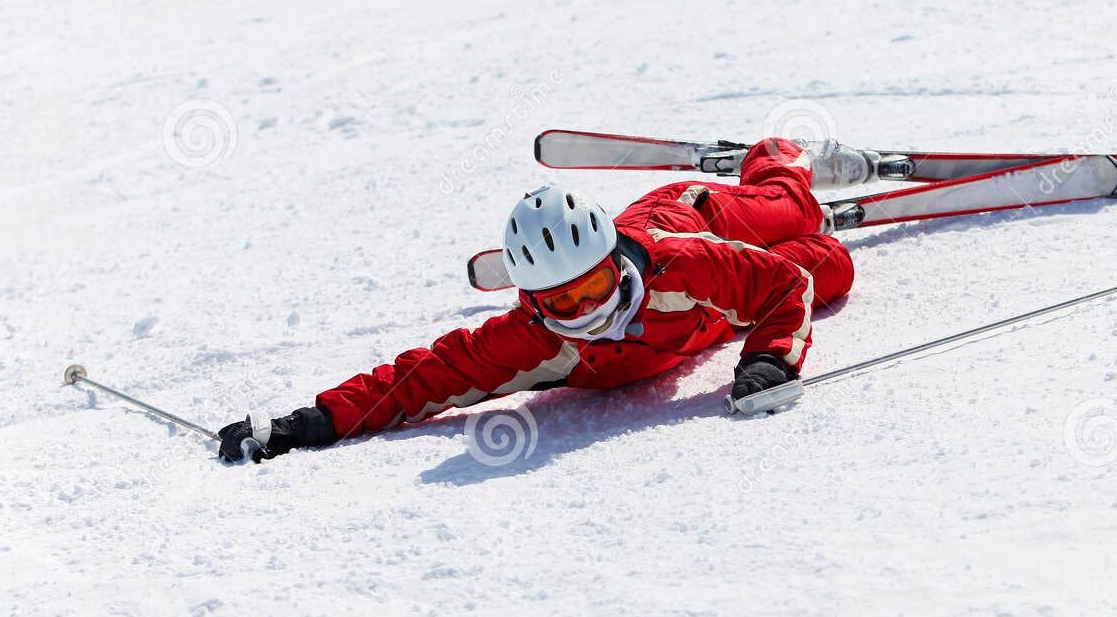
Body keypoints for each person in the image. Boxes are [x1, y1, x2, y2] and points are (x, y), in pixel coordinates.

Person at [217, 137, 871, 461]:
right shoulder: (532, 337)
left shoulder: (681, 266)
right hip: (720, 294)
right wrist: (305, 425)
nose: (586, 309)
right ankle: (811, 227)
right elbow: (421, 379)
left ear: (614, 262)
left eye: (593, 285)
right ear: (533, 300)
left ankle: (778, 154)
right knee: (829, 264)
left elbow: (781, 291)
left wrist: (770, 360)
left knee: (791, 208)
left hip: (693, 218)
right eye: (562, 300)